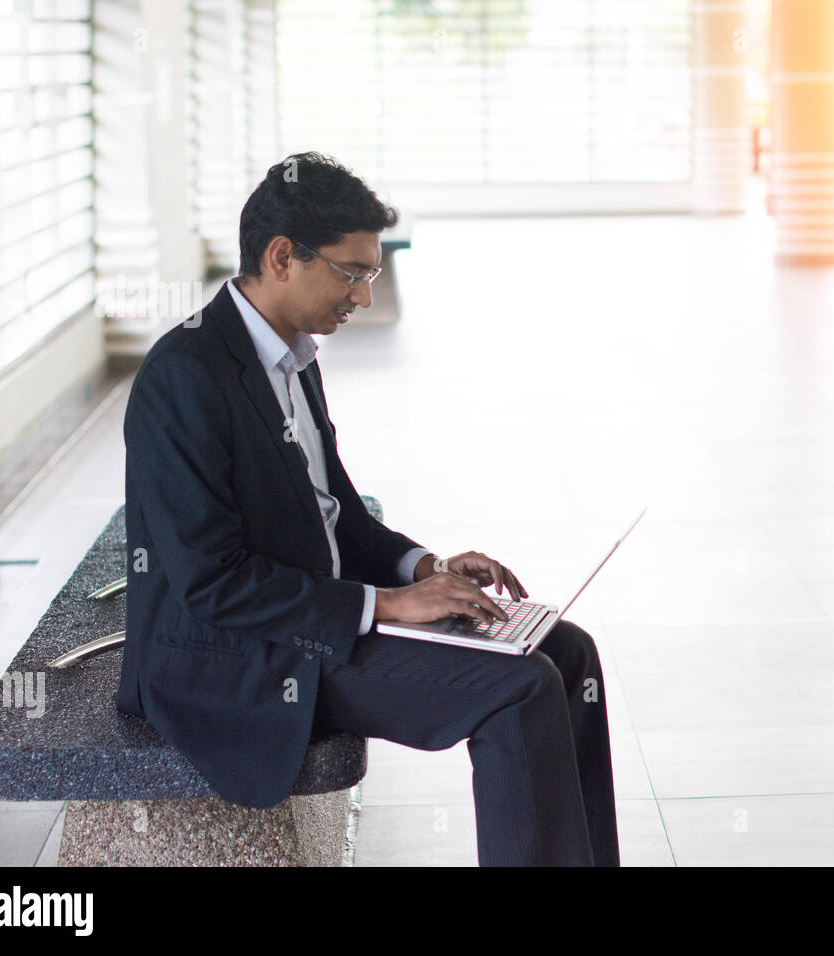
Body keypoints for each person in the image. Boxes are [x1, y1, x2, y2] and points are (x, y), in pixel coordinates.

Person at [115, 151, 619, 867]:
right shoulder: (185, 378)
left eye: (370, 274)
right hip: (241, 655)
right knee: (517, 690)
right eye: (353, 274)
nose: (363, 298)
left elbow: (337, 514)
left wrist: (427, 567)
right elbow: (210, 583)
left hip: (313, 622)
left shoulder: (293, 355)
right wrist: (390, 604)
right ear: (282, 257)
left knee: (566, 651)